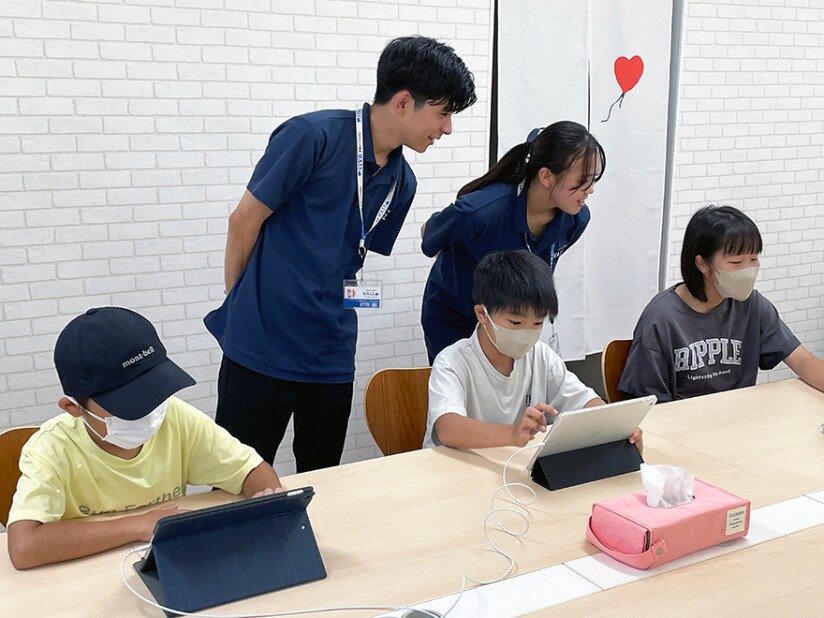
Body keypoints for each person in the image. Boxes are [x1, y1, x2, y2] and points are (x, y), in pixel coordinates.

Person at [204, 36, 476, 472]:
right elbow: (243, 221)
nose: (447, 129)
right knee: (236, 479)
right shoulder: (312, 137)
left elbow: (353, 258)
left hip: (331, 356)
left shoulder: (403, 182)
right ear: (403, 102)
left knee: (324, 479)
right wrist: (239, 304)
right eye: (443, 113)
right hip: (261, 346)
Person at [7, 307, 283, 570]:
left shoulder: (176, 417)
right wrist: (139, 525)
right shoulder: (51, 447)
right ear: (73, 408)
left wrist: (270, 509)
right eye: (128, 404)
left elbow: (250, 469)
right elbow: (24, 546)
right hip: (86, 573)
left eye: (155, 391)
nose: (149, 411)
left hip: (166, 563)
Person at [420, 121, 605, 363]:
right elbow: (428, 235)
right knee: (460, 383)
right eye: (582, 180)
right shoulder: (482, 211)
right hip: (455, 318)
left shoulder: (576, 219)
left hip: (512, 323)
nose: (590, 190)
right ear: (547, 176)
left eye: (593, 180)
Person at [424, 250, 642, 450]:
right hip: (455, 469)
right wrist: (511, 433)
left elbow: (583, 400)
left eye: (537, 323)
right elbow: (448, 428)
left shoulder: (540, 355)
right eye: (515, 322)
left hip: (513, 466)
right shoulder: (453, 361)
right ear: (482, 314)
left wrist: (615, 427)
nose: (526, 333)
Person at [619, 205, 824, 401]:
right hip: (684, 421)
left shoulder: (753, 305)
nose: (748, 271)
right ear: (702, 264)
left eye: (754, 259)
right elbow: (649, 403)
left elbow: (802, 360)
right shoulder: (661, 317)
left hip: (740, 416)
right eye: (736, 262)